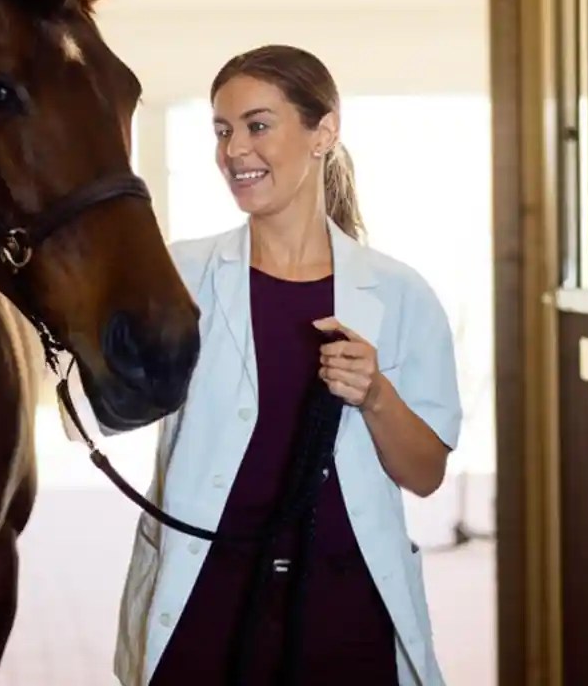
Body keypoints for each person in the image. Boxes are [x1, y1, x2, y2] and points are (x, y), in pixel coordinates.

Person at [56, 45, 462, 686]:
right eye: (222, 130)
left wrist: (376, 396)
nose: (234, 150)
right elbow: (103, 413)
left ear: (323, 131)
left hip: (343, 603)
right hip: (205, 598)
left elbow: (427, 473)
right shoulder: (181, 276)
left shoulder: (399, 292)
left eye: (258, 124)